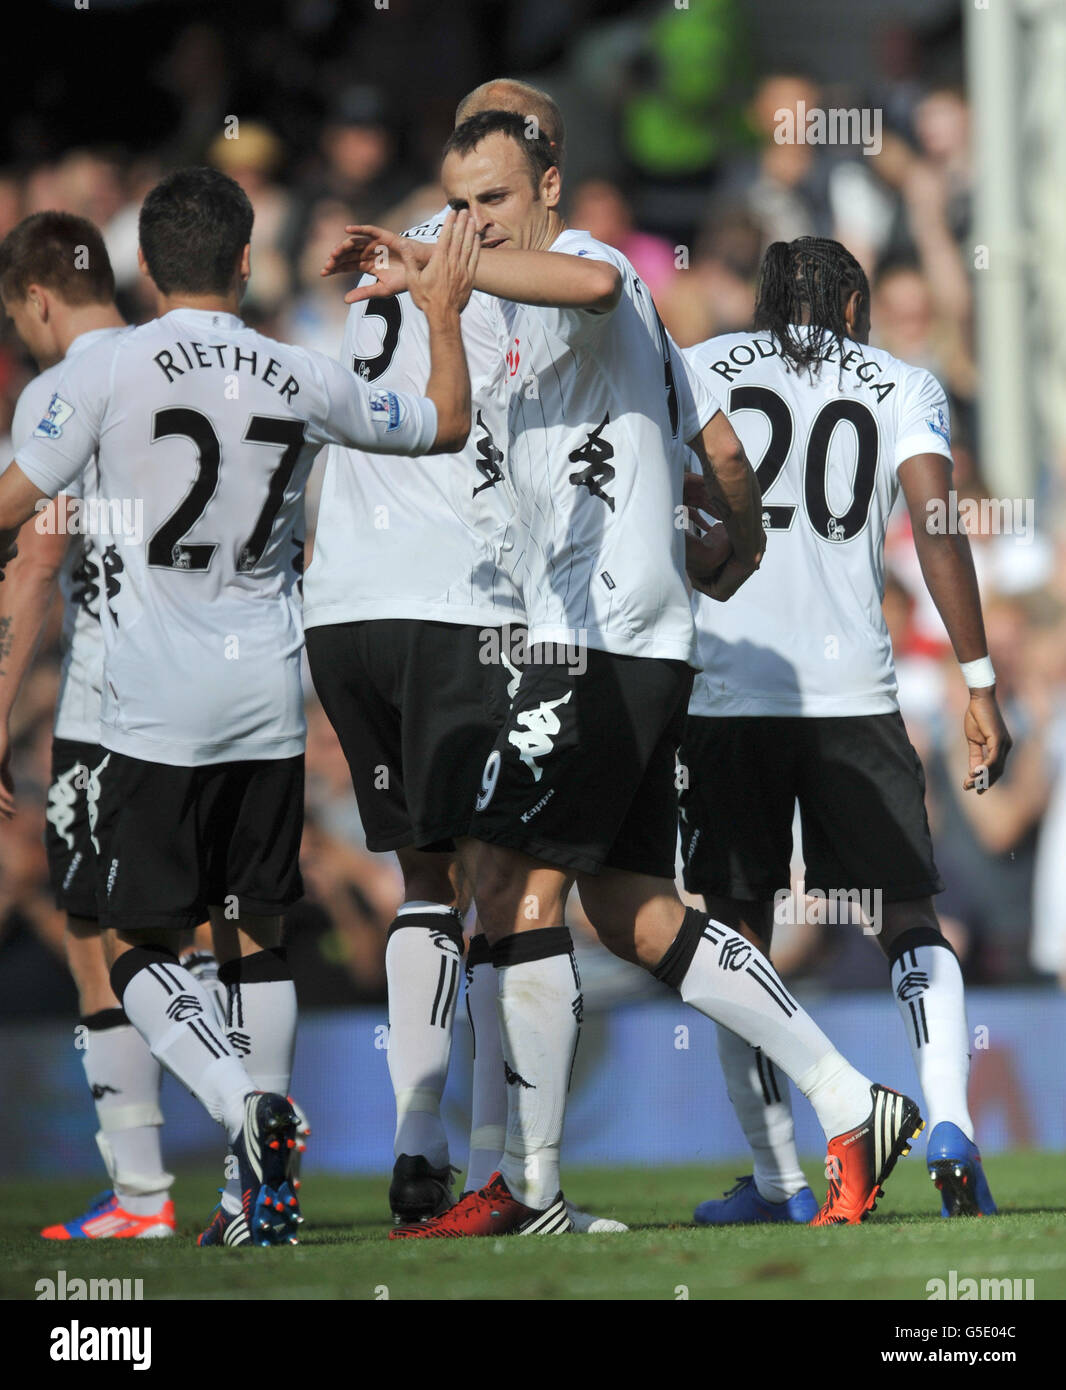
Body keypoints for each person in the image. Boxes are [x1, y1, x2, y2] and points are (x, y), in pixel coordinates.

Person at [331, 112, 922, 1236]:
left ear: (550, 189)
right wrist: (733, 553)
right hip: (634, 636)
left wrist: (425, 265)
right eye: (457, 208)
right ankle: (852, 1103)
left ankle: (527, 1192)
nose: (473, 227)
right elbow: (726, 456)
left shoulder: (596, 269)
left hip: (593, 637)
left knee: (509, 887)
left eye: (493, 202)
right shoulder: (549, 322)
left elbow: (591, 289)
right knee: (634, 909)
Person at [0, 167, 478, 1247]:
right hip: (264, 695)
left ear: (143, 267)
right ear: (249, 262)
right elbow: (445, 422)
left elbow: (18, 510)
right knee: (255, 932)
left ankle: (248, 1112)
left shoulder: (106, 367)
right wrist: (439, 313)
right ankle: (260, 1198)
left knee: (127, 941)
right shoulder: (298, 370)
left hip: (140, 706)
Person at [311, 78, 629, 1231]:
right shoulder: (506, 255)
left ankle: (418, 1141)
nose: (484, 213)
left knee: (424, 881)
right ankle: (503, 1170)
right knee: (505, 885)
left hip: (337, 602)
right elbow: (594, 287)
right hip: (452, 603)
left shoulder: (393, 258)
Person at [678, 236, 1010, 1224]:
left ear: (767, 306)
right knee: (906, 909)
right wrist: (978, 678)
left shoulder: (700, 366)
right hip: (853, 692)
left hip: (727, 691)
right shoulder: (901, 380)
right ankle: (949, 1119)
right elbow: (935, 523)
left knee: (736, 927)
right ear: (854, 311)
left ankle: (781, 1175)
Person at [0, 210, 187, 1238]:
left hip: (120, 698)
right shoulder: (202, 360)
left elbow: (34, 558)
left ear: (35, 297)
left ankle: (148, 1193)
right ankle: (255, 1193)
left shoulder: (66, 387)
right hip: (244, 690)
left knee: (94, 934)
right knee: (219, 929)